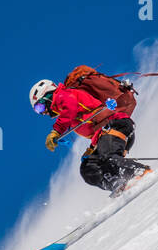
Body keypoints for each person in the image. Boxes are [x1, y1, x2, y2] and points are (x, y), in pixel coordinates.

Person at [29, 66, 150, 194]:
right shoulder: (72, 117)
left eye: (40, 107)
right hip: (107, 135)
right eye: (39, 112)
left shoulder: (63, 95)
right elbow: (94, 129)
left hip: (117, 125)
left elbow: (69, 108)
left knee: (107, 157)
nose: (44, 112)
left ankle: (140, 172)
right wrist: (91, 150)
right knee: (88, 168)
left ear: (47, 95)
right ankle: (117, 183)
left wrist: (56, 131)